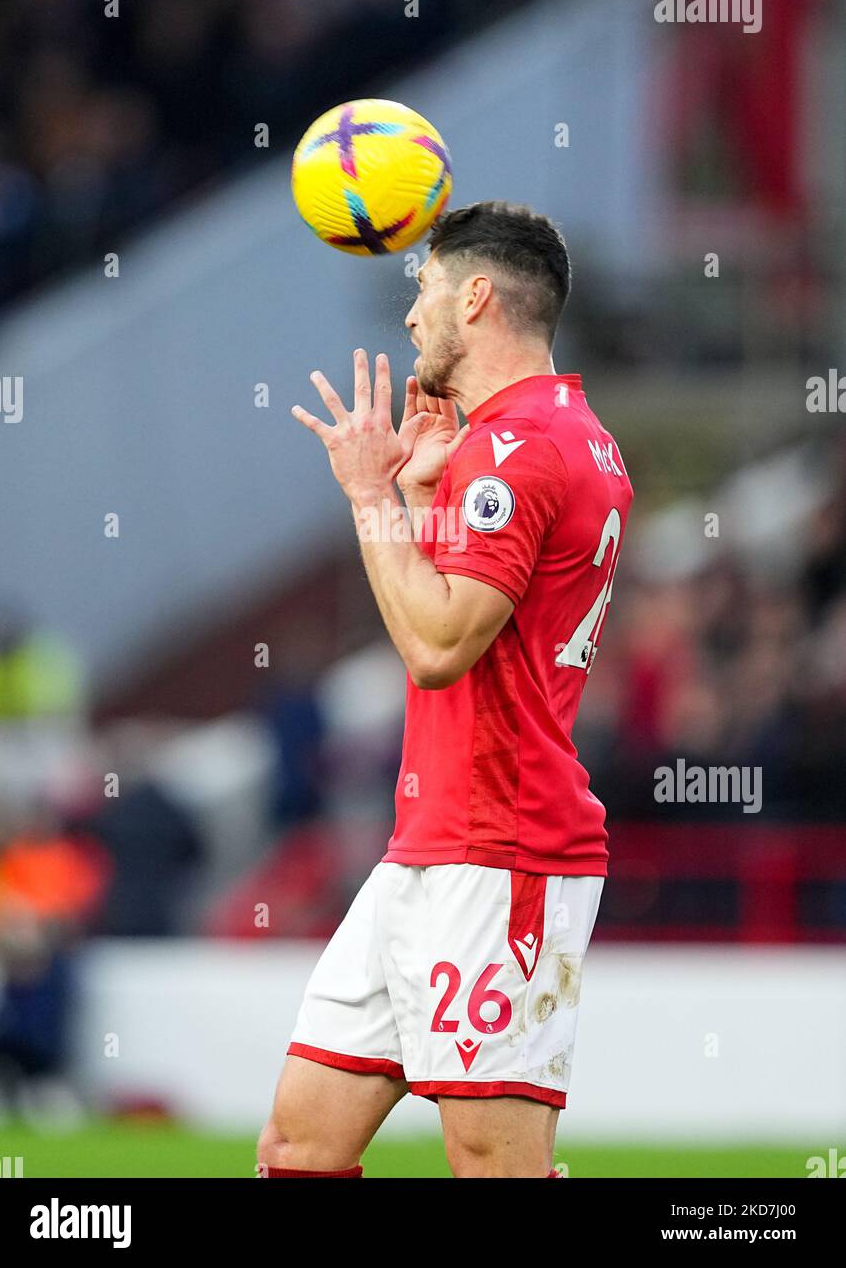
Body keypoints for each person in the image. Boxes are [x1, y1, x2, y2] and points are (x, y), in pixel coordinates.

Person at [260, 201, 633, 1179]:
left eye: (421, 286)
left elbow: (436, 647)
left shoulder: (519, 450)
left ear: (474, 297)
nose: (410, 314)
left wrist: (370, 496)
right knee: (298, 1147)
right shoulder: (551, 436)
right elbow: (463, 621)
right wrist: (421, 502)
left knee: (492, 1165)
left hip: (503, 850)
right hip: (430, 846)